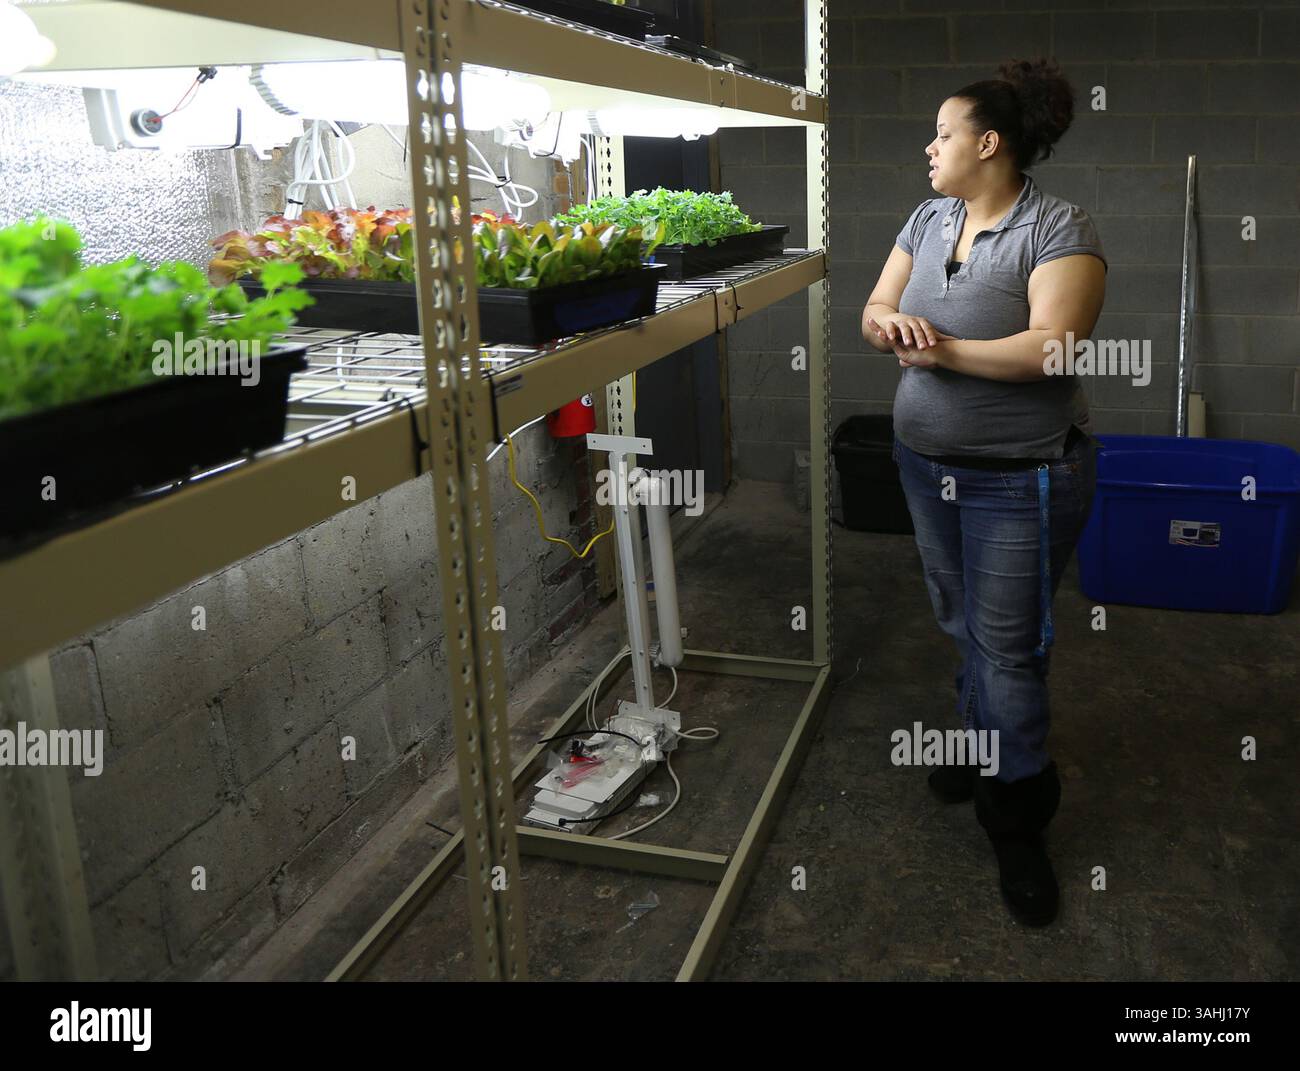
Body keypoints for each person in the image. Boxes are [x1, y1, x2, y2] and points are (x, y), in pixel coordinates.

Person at [860, 58, 1107, 927]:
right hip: (929, 468)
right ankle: (979, 746)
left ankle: (1017, 814)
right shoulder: (928, 218)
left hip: (1024, 480)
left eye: (943, 133)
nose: (929, 147)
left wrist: (942, 351)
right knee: (960, 622)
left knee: (1007, 649)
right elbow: (874, 309)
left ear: (988, 142)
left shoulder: (1058, 226)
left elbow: (1056, 348)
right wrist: (891, 325)